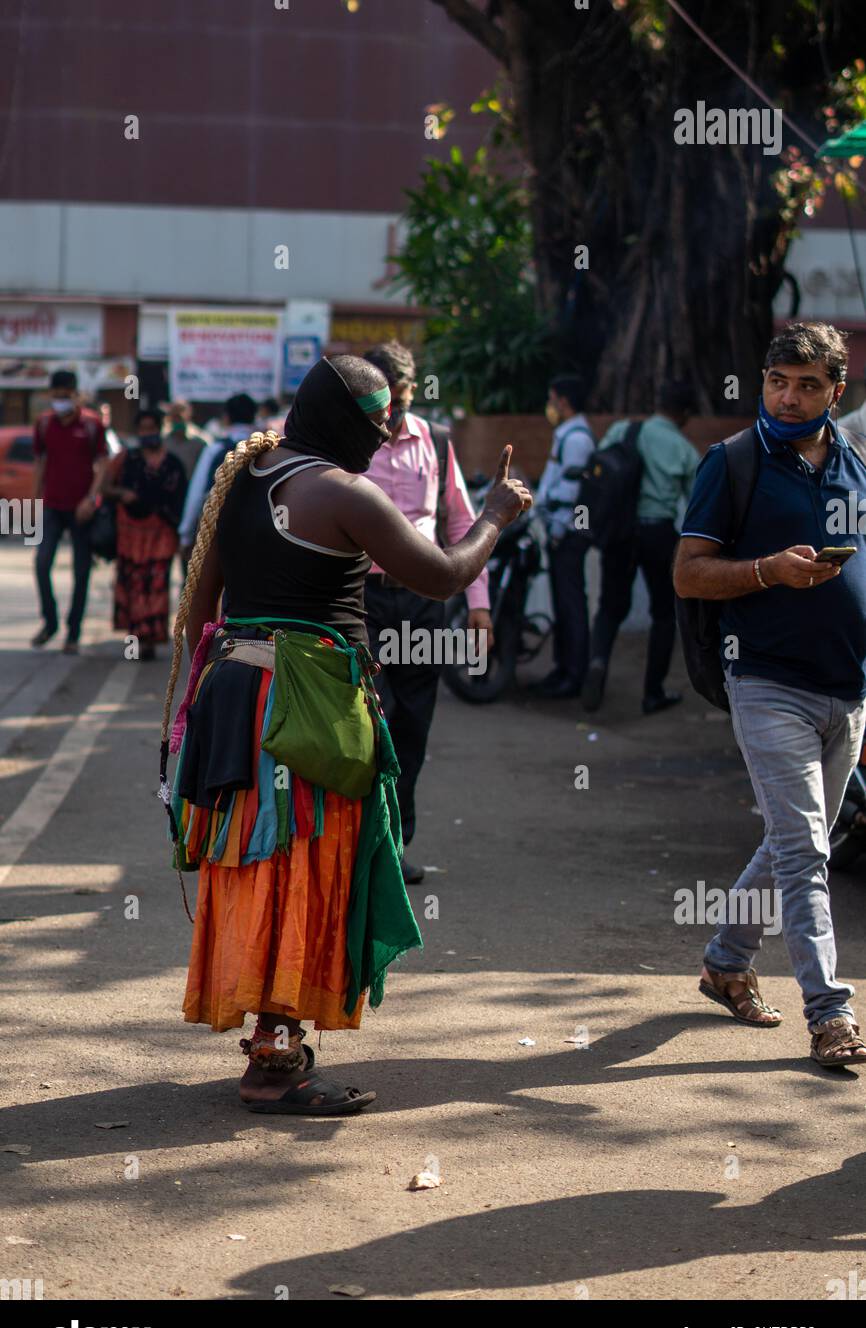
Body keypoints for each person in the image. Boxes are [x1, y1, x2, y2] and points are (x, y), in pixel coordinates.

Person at [159, 354, 531, 1115]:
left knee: (259, 865)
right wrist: (496, 514)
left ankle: (273, 1039)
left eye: (395, 414)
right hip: (306, 705)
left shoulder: (250, 473)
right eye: (377, 417)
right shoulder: (343, 493)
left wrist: (194, 710)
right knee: (302, 863)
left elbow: (199, 610)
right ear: (341, 417)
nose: (391, 430)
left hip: (237, 694)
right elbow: (439, 573)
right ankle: (274, 1062)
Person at [674, 321, 866, 1068]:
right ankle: (831, 1013)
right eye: (778, 381)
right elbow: (690, 573)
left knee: (793, 843)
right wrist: (767, 572)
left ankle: (725, 961)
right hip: (766, 681)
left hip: (848, 689)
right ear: (762, 382)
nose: (789, 398)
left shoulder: (854, 462)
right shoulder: (733, 462)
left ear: (835, 392)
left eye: (808, 385)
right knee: (807, 848)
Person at [362, 340, 493, 884]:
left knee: (413, 727)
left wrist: (479, 605)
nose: (396, 407)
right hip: (359, 601)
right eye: (385, 397)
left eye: (404, 394)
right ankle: (354, 847)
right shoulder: (347, 442)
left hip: (422, 603)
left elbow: (461, 525)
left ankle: (393, 846)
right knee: (368, 724)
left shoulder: (436, 442)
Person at [582, 381, 701, 714]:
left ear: (658, 403)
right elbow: (697, 505)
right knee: (663, 614)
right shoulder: (683, 450)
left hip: (619, 532)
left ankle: (598, 662)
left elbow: (599, 468)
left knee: (609, 607)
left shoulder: (624, 429)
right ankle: (653, 692)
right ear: (685, 415)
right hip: (658, 534)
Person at [31, 368, 111, 655]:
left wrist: (91, 499)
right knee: (41, 564)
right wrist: (34, 500)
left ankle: (73, 633)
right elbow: (40, 463)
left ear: (76, 395)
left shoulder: (91, 424)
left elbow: (102, 464)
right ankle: (50, 622)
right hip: (53, 506)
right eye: (56, 396)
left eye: (66, 395)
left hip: (82, 509)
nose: (60, 400)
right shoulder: (43, 423)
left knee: (81, 572)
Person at [101, 407, 187, 660]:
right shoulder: (125, 459)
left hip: (161, 534)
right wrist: (122, 495)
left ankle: (152, 638)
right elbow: (105, 487)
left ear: (160, 430)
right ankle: (138, 638)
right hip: (130, 534)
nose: (147, 433)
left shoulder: (172, 464)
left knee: (157, 584)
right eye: (143, 429)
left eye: (152, 428)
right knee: (134, 584)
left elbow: (180, 501)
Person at [533, 375, 596, 697]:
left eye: (552, 398)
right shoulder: (567, 434)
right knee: (563, 601)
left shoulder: (577, 439)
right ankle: (562, 668)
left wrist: (558, 529)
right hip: (560, 531)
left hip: (568, 533)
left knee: (571, 603)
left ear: (564, 402)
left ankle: (575, 673)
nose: (550, 405)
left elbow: (572, 492)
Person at [177, 393, 256, 559]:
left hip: (219, 534)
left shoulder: (215, 450)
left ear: (226, 418)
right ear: (253, 417)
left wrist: (185, 536)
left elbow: (196, 496)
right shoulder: (268, 450)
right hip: (257, 534)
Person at [162, 400, 212, 480]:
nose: (176, 420)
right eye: (174, 416)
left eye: (179, 417)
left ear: (188, 415)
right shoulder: (164, 441)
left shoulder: (200, 441)